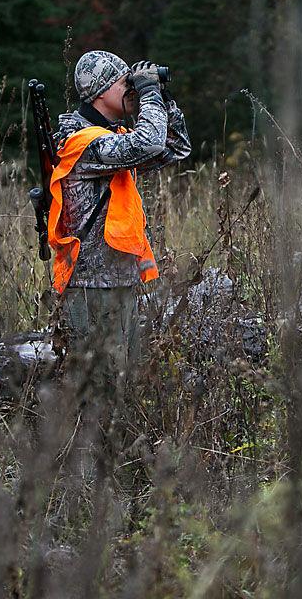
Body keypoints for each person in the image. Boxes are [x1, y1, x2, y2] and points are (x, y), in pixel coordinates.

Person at [47, 50, 190, 401]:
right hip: (91, 286)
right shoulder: (83, 144)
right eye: (124, 84)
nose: (131, 90)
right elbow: (148, 143)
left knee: (125, 385)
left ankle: (120, 453)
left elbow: (176, 147)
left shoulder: (109, 135)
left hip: (117, 279)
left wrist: (162, 96)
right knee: (98, 392)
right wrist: (149, 95)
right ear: (100, 93)